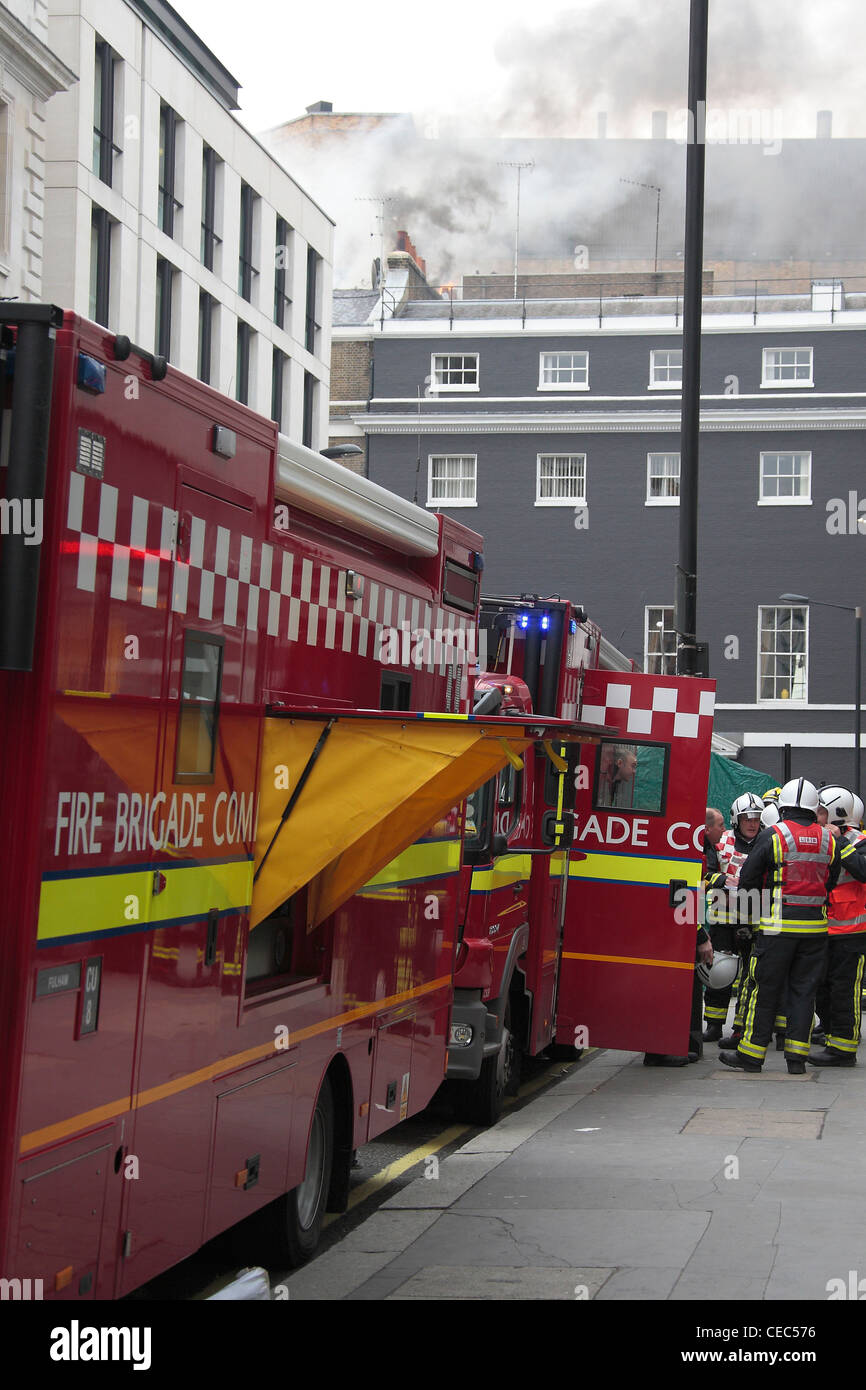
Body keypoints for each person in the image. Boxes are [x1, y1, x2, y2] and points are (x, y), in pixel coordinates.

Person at [721, 778, 866, 1075]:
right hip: (815, 929)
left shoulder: (775, 834)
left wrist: (750, 919)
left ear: (784, 807)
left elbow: (749, 877)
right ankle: (796, 1059)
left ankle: (751, 1054)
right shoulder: (829, 840)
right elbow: (831, 877)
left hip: (777, 927)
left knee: (765, 988)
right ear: (815, 809)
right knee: (803, 992)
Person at [810, 787, 866, 1067]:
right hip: (824, 928)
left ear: (836, 813)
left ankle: (844, 1049)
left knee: (844, 991)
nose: (816, 816)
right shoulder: (821, 839)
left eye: (820, 811)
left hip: (852, 934)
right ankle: (831, 1036)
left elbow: (863, 871)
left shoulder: (859, 842)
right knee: (821, 988)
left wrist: (840, 844)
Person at [703, 794, 764, 1044]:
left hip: (753, 919)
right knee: (718, 972)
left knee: (751, 975)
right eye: (746, 818)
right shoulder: (722, 841)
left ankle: (740, 1026)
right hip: (723, 917)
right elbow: (703, 874)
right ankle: (714, 1025)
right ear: (736, 820)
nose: (751, 823)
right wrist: (722, 882)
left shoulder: (766, 842)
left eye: (756, 818)